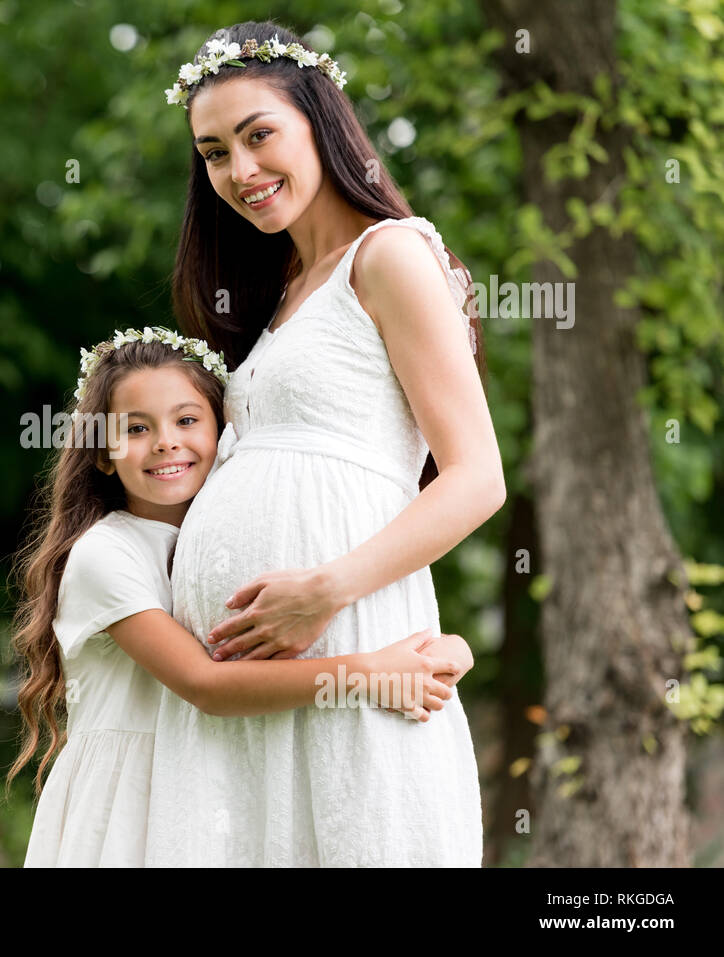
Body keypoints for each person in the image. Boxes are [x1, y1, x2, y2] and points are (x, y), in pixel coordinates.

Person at [147, 21, 505, 866]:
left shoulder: (387, 257)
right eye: (213, 152)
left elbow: (478, 476)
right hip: (259, 686)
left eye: (258, 134)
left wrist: (326, 590)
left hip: (347, 630)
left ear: (321, 123)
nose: (239, 171)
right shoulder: (276, 300)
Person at [8, 327, 474, 866]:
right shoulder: (104, 556)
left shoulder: (215, 542)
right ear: (104, 455)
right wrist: (366, 675)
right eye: (136, 428)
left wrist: (447, 651)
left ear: (224, 430)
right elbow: (207, 684)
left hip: (207, 784)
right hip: (126, 799)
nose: (165, 442)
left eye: (186, 420)